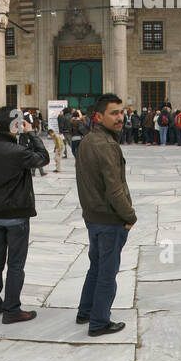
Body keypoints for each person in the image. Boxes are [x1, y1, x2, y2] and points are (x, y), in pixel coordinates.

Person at [0, 106, 48, 323]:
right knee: (15, 264)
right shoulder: (19, 153)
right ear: (16, 126)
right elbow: (43, 158)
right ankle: (12, 309)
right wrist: (31, 133)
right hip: (16, 215)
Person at [72, 92, 136, 337]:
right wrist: (130, 216)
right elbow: (115, 189)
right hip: (109, 220)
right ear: (99, 116)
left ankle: (85, 311)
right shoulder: (107, 145)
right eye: (114, 113)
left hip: (93, 217)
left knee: (96, 267)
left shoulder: (88, 140)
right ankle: (99, 322)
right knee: (107, 273)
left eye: (121, 112)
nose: (120, 117)